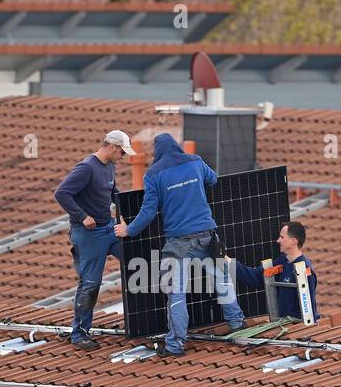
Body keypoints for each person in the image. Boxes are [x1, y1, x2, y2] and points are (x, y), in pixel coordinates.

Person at [116, 133, 244, 358]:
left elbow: (148, 212)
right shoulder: (195, 161)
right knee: (221, 280)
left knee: (176, 293)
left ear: (157, 151)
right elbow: (213, 179)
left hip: (178, 243)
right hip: (206, 235)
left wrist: (129, 231)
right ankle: (237, 323)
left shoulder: (153, 175)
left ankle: (175, 346)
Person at [54, 129, 136, 350]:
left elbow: (112, 193)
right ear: (111, 147)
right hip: (88, 233)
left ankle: (142, 318)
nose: (124, 157)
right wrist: (82, 216)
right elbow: (61, 193)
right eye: (122, 152)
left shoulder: (109, 166)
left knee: (136, 255)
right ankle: (79, 334)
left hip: (108, 228)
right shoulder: (86, 168)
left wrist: (125, 214)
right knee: (91, 283)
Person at [232, 221, 319, 322]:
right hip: (283, 325)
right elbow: (256, 276)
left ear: (293, 241)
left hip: (296, 329)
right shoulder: (282, 262)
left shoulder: (305, 270)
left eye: (282, 237)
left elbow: (308, 310)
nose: (278, 241)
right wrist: (228, 262)